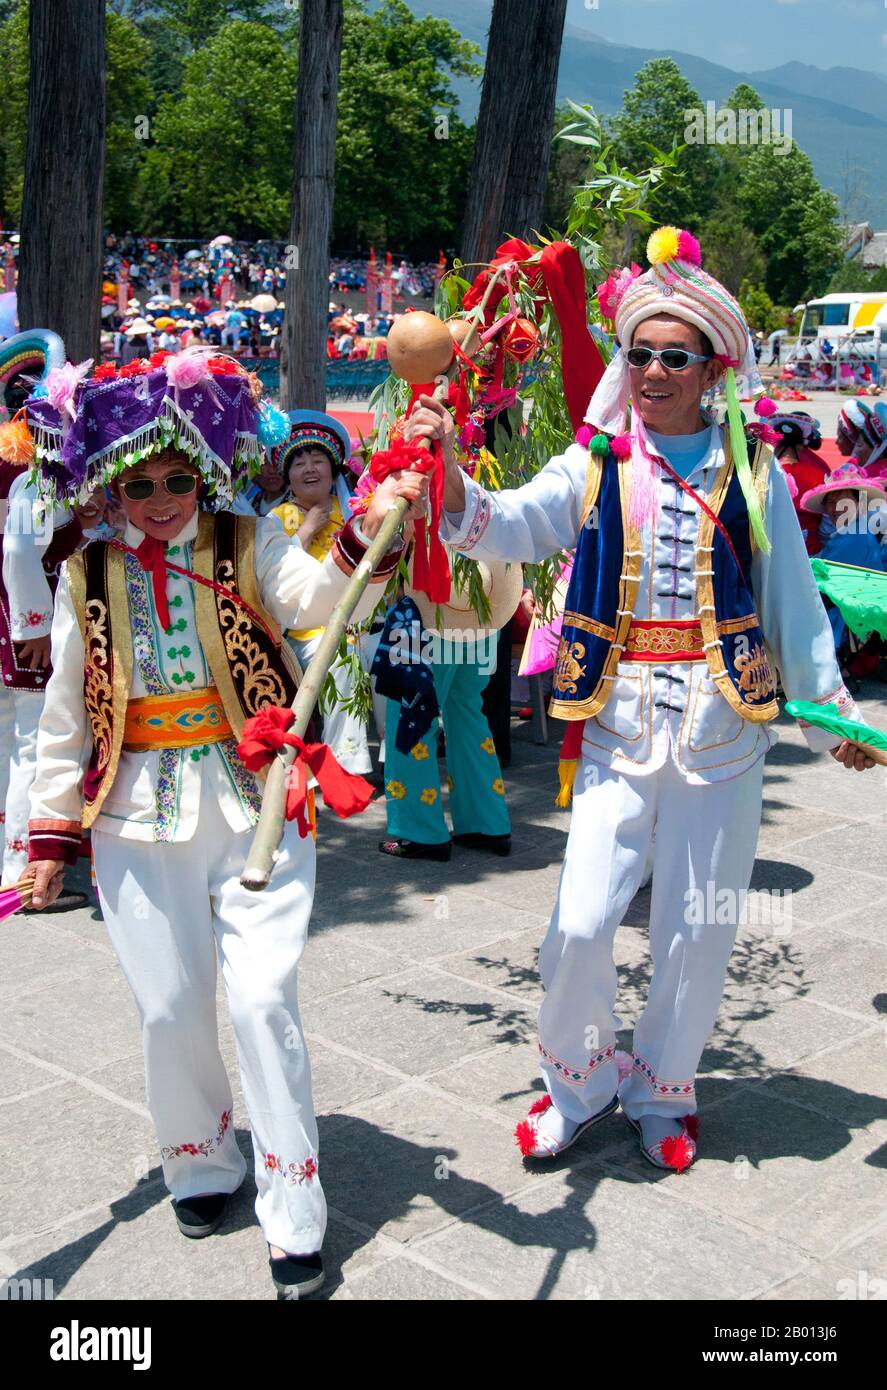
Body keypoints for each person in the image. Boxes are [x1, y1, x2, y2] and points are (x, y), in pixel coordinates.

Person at [417, 225, 872, 1172]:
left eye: (677, 355)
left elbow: (790, 593)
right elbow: (503, 525)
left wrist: (832, 709)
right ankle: (577, 1086)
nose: (655, 369)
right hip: (620, 724)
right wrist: (447, 473)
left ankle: (666, 1089)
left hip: (724, 730)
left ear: (713, 370)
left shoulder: (752, 475)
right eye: (641, 353)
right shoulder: (593, 465)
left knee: (697, 931)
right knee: (580, 924)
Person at [24, 349, 425, 1298]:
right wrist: (46, 836)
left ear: (202, 471)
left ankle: (294, 1208)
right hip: (131, 819)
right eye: (138, 482)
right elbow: (62, 717)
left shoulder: (250, 544)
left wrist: (374, 529)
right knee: (167, 1008)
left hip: (257, 808)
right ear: (109, 484)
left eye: (175, 478)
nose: (160, 498)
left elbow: (332, 603)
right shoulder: (84, 574)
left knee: (260, 1003)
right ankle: (201, 1160)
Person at [270, 411, 373, 776]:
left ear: (332, 470)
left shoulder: (354, 514)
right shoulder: (277, 518)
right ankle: (344, 769)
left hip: (360, 624)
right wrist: (307, 530)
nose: (309, 469)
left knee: (401, 659)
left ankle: (402, 767)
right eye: (299, 462)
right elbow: (271, 577)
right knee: (342, 658)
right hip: (305, 631)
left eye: (317, 461)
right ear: (288, 475)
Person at [769, 411, 828, 555]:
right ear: (801, 446)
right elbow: (827, 526)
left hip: (771, 553)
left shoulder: (761, 474)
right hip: (810, 553)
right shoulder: (820, 475)